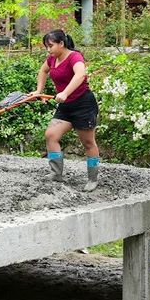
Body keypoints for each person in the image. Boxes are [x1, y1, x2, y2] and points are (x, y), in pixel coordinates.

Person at [32, 29, 100, 191]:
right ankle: (57, 174)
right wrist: (38, 91)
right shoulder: (52, 59)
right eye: (46, 47)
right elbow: (43, 71)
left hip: (83, 105)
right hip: (66, 106)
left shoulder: (74, 57)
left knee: (88, 143)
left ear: (61, 43)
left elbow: (80, 75)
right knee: (51, 135)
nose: (48, 50)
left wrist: (65, 92)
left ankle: (92, 178)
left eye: (51, 46)